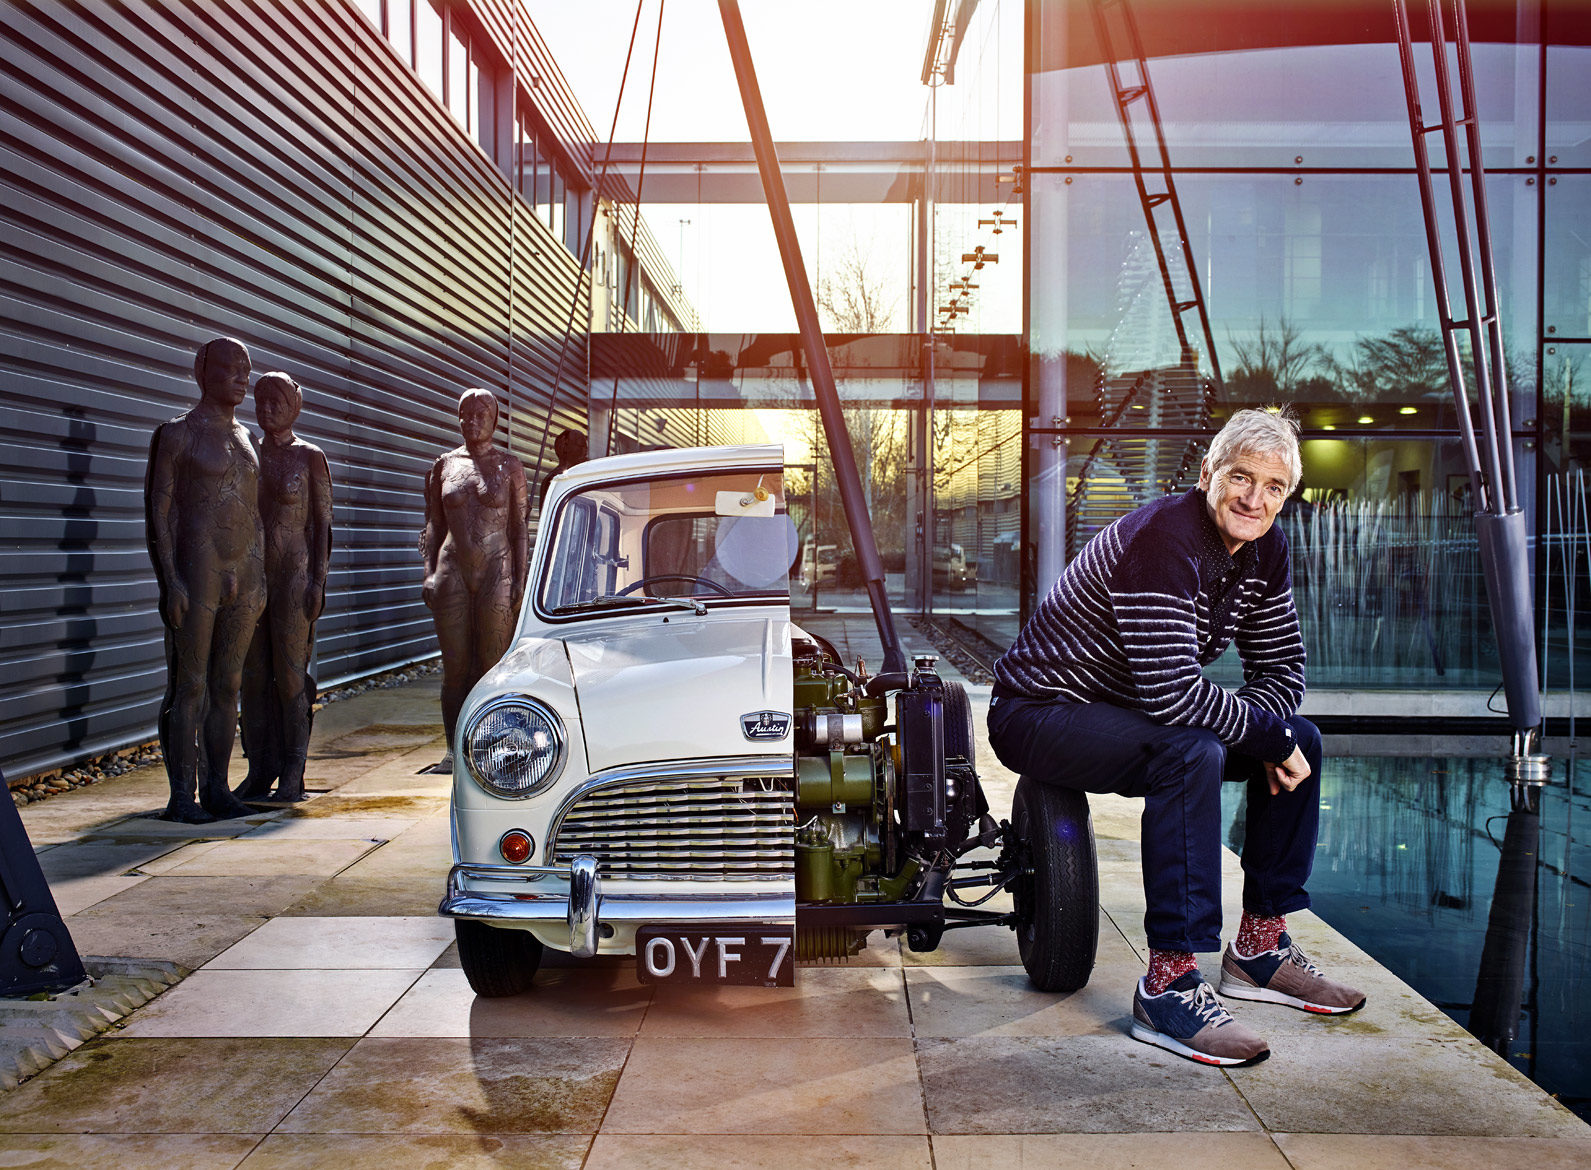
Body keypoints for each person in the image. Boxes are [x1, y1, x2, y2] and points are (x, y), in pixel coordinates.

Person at [987, 408, 1364, 1067]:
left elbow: (1280, 666)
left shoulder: (1264, 547)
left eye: (1273, 487)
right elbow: (1172, 695)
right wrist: (1261, 738)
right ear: (1205, 474)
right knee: (1192, 749)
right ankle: (1168, 984)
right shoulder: (1163, 537)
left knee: (1301, 735)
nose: (1254, 499)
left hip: (1130, 714)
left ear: (1286, 495)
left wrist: (1274, 736)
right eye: (1240, 478)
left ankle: (1259, 948)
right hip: (1041, 711)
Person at [144, 337, 266, 823]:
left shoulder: (246, 438)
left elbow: (255, 512)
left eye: (247, 369)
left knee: (228, 684)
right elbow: (158, 511)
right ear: (202, 372)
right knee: (189, 684)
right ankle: (182, 796)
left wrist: (258, 577)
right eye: (231, 368)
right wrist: (169, 581)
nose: (241, 377)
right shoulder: (177, 435)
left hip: (244, 575)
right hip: (197, 572)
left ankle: (218, 786)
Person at [237, 372, 332, 803]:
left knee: (291, 677)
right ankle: (261, 767)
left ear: (294, 405)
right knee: (252, 679)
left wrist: (318, 581)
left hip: (293, 576)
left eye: (276, 400)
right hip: (251, 579)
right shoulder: (246, 454)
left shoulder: (309, 457)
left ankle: (294, 770)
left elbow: (322, 526)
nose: (267, 408)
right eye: (260, 400)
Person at [421, 389, 529, 769]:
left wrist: (520, 578)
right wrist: (429, 572)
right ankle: (453, 749)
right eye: (465, 414)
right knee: (455, 667)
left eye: (481, 414)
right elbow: (433, 525)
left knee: (491, 665)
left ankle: (490, 745)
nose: (472, 421)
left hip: (496, 571)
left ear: (494, 419)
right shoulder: (444, 465)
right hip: (453, 570)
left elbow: (519, 529)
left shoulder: (510, 466)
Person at [538, 428, 587, 511]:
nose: (584, 451)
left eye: (585, 447)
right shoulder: (554, 480)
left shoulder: (585, 476)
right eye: (580, 445)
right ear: (564, 447)